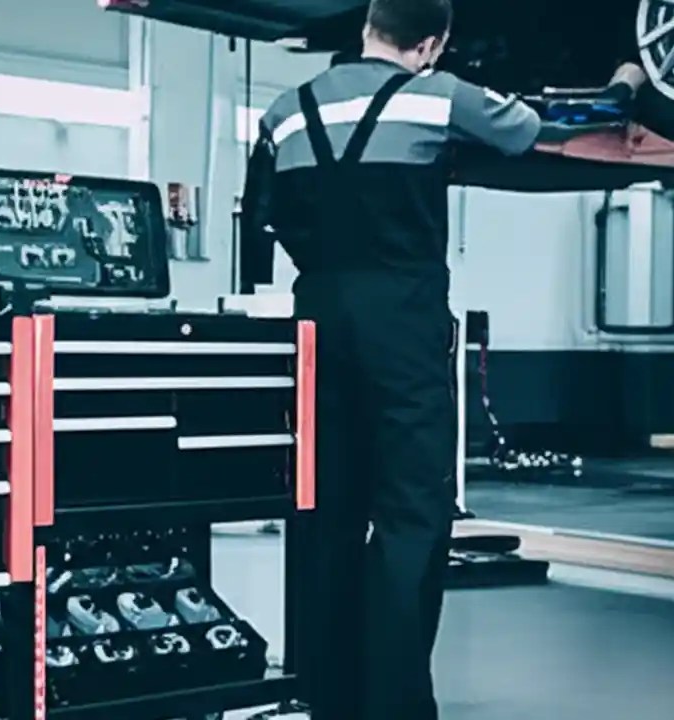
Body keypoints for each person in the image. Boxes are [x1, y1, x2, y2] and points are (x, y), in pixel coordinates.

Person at [238, 1, 591, 718]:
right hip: (402, 322)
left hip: (315, 323)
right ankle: (394, 703)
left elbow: (263, 217)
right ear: (431, 43)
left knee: (327, 513)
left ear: (368, 26)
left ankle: (328, 697)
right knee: (412, 516)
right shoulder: (440, 97)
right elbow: (528, 130)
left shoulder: (284, 112)